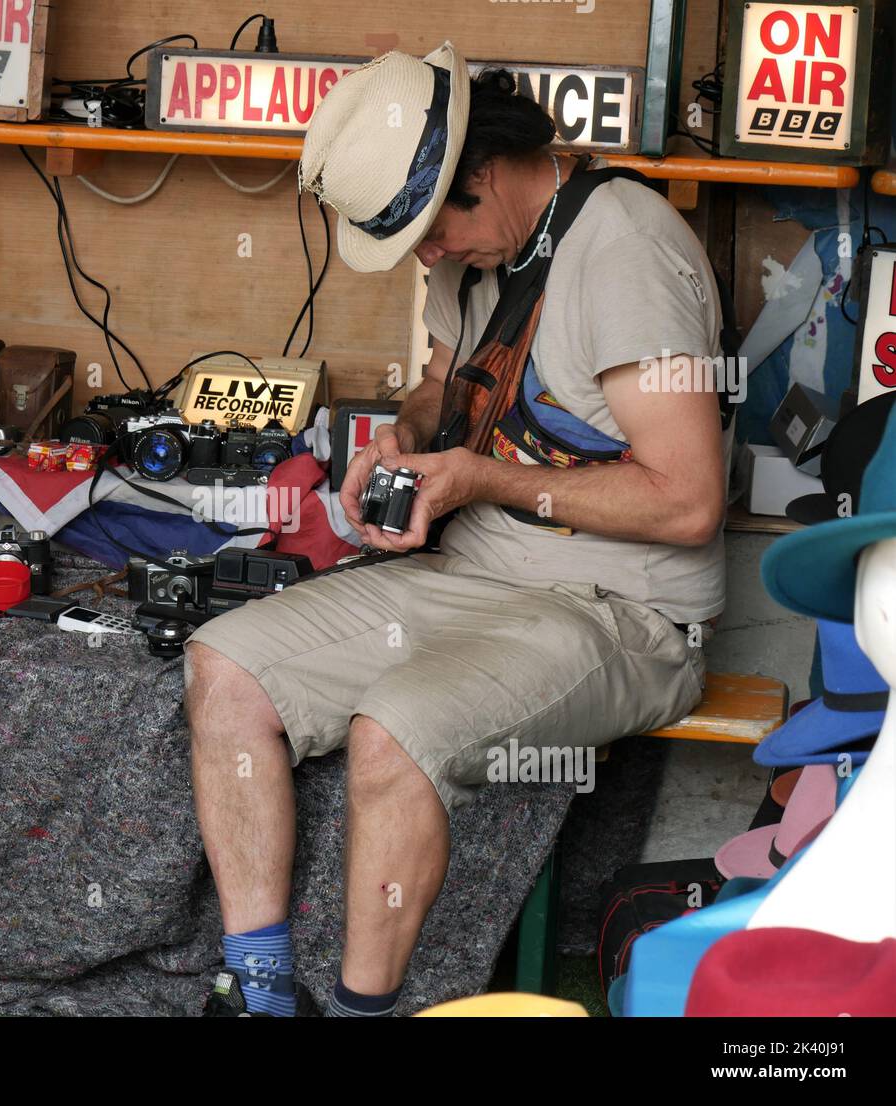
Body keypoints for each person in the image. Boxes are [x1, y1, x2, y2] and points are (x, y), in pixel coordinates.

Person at [187, 42, 729, 1017]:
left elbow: (686, 502)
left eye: (431, 231)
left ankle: (359, 1012)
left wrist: (482, 475)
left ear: (481, 172)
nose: (427, 256)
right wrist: (401, 439)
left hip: (622, 610)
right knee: (222, 667)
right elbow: (443, 385)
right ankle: (265, 994)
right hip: (472, 575)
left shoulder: (625, 251)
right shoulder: (479, 253)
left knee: (398, 730)